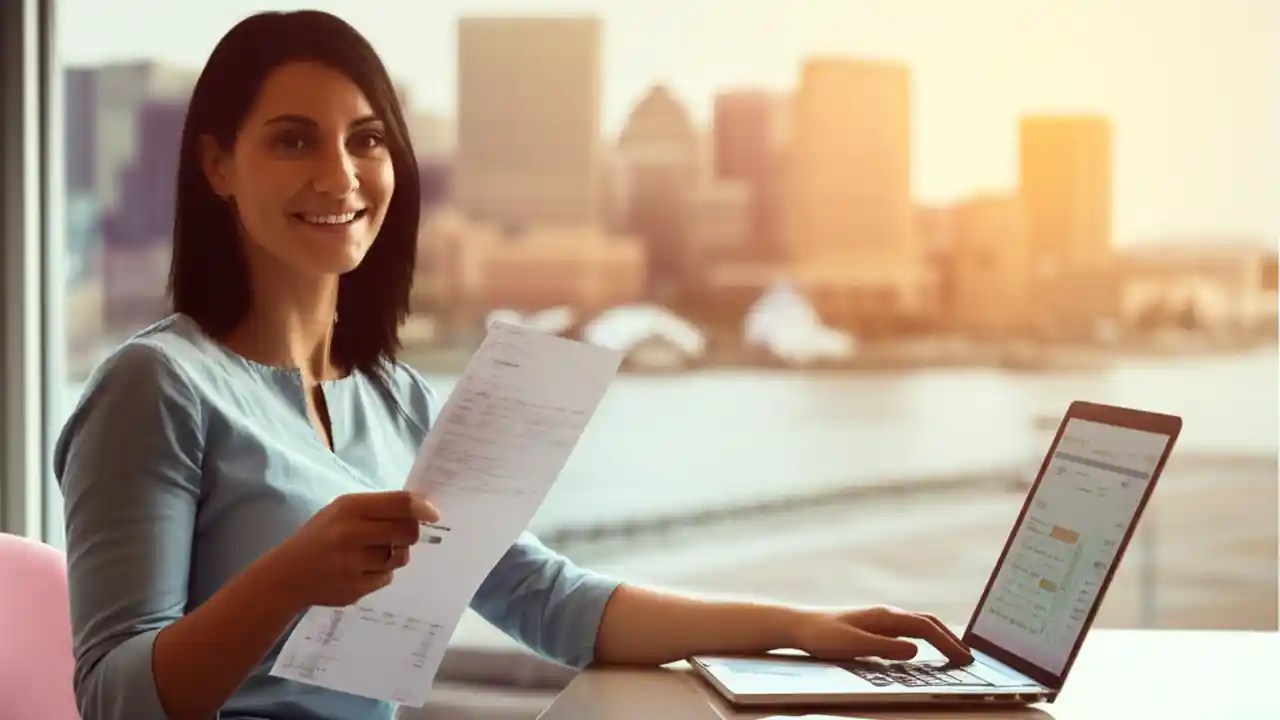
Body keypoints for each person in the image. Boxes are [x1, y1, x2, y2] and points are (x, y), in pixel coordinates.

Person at [55, 10, 972, 720]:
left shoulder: (394, 397)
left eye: (367, 139)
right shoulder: (156, 387)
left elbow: (546, 599)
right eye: (293, 140)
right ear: (218, 164)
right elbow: (114, 699)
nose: (340, 175)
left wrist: (798, 627)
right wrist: (291, 577)